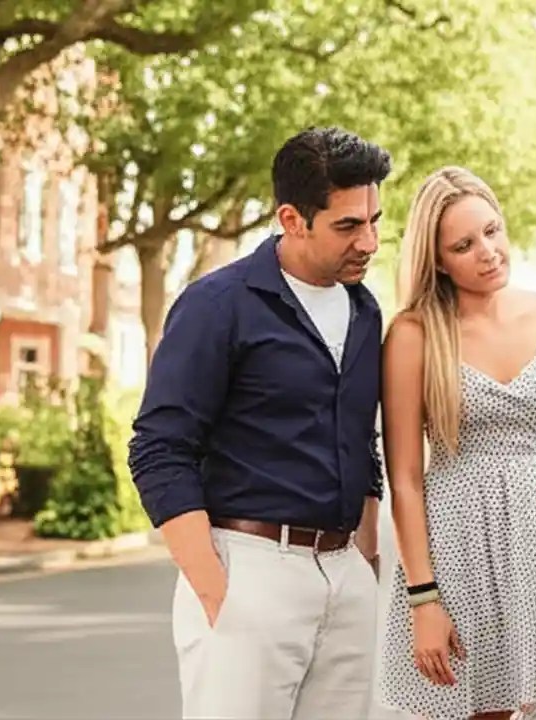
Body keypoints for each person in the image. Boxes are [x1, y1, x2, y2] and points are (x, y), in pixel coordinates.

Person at [127, 126, 390, 719]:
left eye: (374, 220)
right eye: (348, 226)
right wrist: (214, 587)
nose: (369, 241)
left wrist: (365, 563)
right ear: (292, 219)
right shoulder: (218, 304)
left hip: (345, 576)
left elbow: (361, 441)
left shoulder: (365, 311)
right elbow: (159, 447)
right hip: (249, 569)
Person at [379, 166, 536, 720]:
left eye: (493, 230)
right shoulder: (413, 336)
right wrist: (422, 598)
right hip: (458, 548)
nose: (488, 251)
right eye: (464, 244)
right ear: (436, 260)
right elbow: (405, 477)